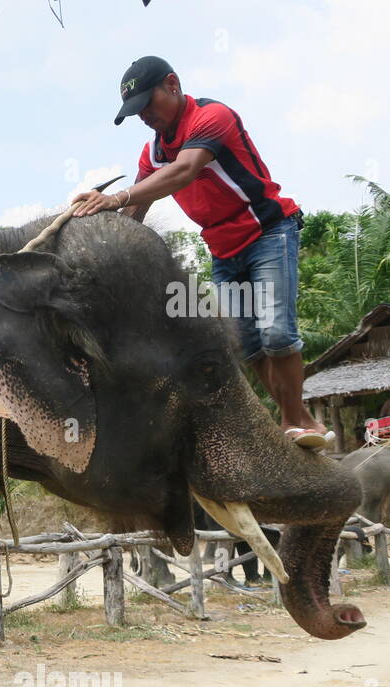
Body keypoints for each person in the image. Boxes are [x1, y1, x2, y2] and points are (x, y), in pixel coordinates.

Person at [73, 56, 331, 449]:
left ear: (173, 85)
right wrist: (98, 246)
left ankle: (295, 419)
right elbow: (134, 213)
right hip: (224, 251)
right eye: (135, 110)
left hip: (267, 233)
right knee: (247, 344)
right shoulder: (153, 154)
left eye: (147, 103)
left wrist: (115, 196)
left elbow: (184, 171)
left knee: (277, 332)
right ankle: (297, 420)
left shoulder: (212, 116)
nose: (143, 116)